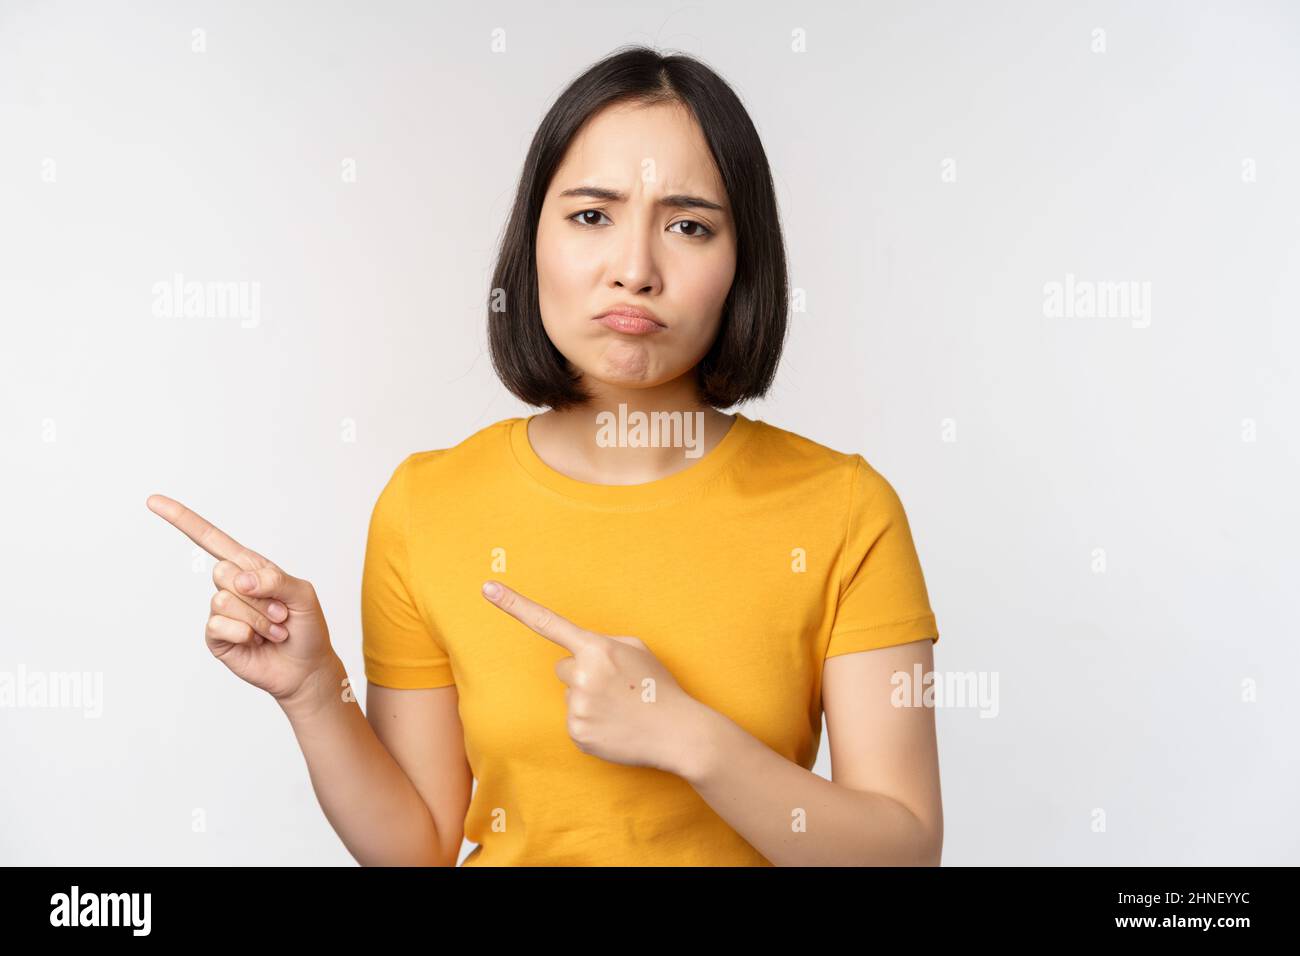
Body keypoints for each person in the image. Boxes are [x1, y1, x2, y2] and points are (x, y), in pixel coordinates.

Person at [146, 44, 943, 867]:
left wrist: (692, 739)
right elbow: (415, 849)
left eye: (689, 225)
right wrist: (315, 694)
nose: (634, 270)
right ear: (534, 243)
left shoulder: (843, 508)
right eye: (592, 216)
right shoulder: (428, 505)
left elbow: (904, 852)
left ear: (743, 265)